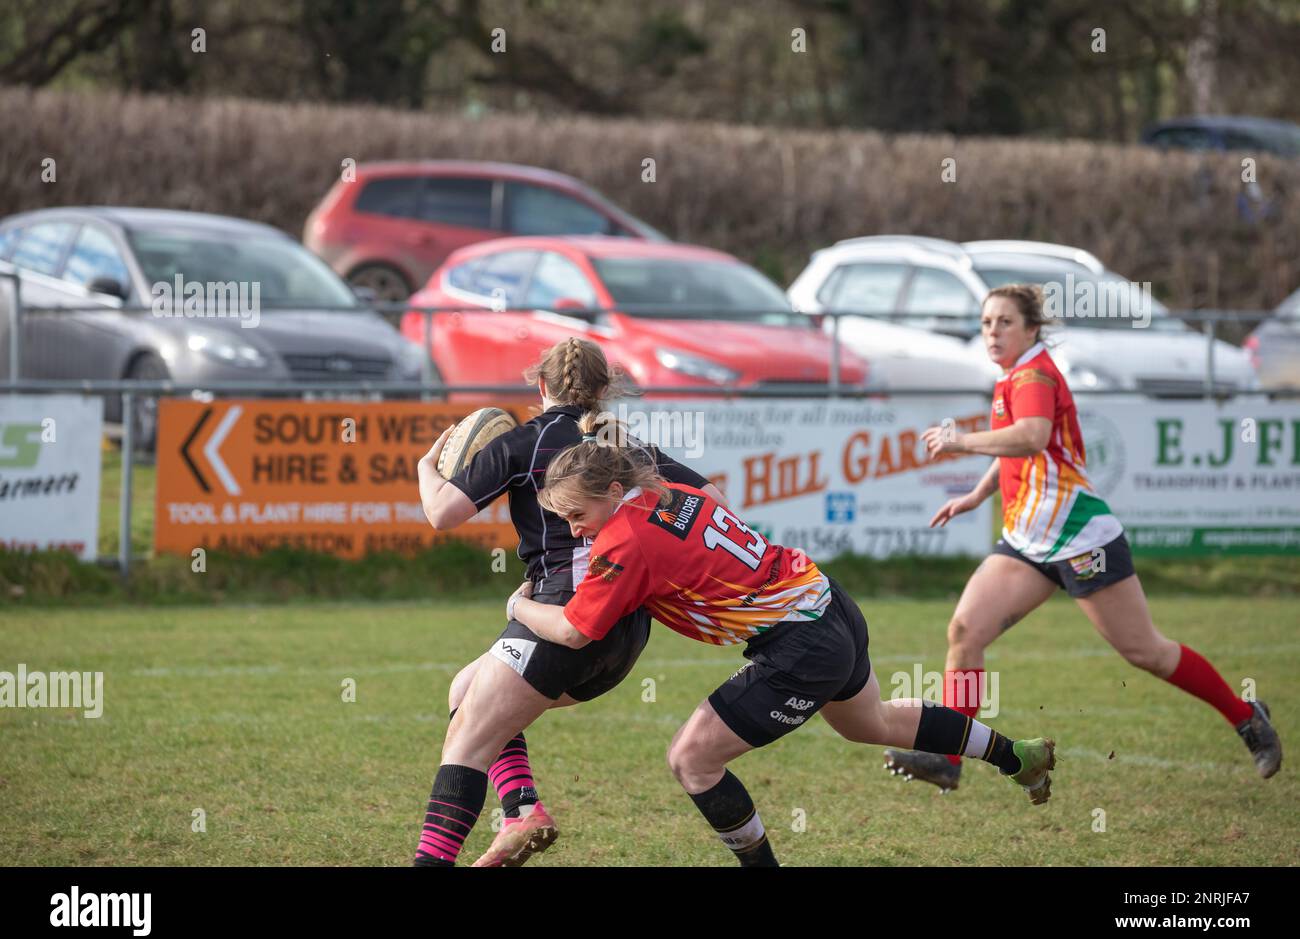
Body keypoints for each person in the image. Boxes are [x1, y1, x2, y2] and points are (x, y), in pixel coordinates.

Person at [498, 415, 1058, 866]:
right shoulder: (663, 492)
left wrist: (518, 604)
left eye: (577, 514)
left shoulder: (624, 538)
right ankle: (1019, 756)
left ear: (614, 490)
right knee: (873, 724)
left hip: (800, 640)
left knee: (692, 760)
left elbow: (574, 630)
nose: (573, 529)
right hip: (824, 598)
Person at [880, 284, 1281, 793]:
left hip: (1079, 536)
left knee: (1145, 651)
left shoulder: (1034, 374)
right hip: (1028, 540)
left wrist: (960, 441)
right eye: (985, 323)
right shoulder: (1011, 376)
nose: (992, 332)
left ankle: (1246, 716)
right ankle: (948, 758)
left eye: (1004, 322)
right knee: (965, 632)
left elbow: (1031, 435)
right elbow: (1018, 449)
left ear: (1030, 329)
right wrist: (980, 494)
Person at [413, 337, 722, 867]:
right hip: (625, 634)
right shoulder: (624, 445)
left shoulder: (523, 442)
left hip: (560, 619)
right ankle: (520, 811)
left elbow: (443, 513)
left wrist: (426, 467)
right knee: (466, 689)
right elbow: (711, 501)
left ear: (541, 386)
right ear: (603, 390)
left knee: (464, 748)